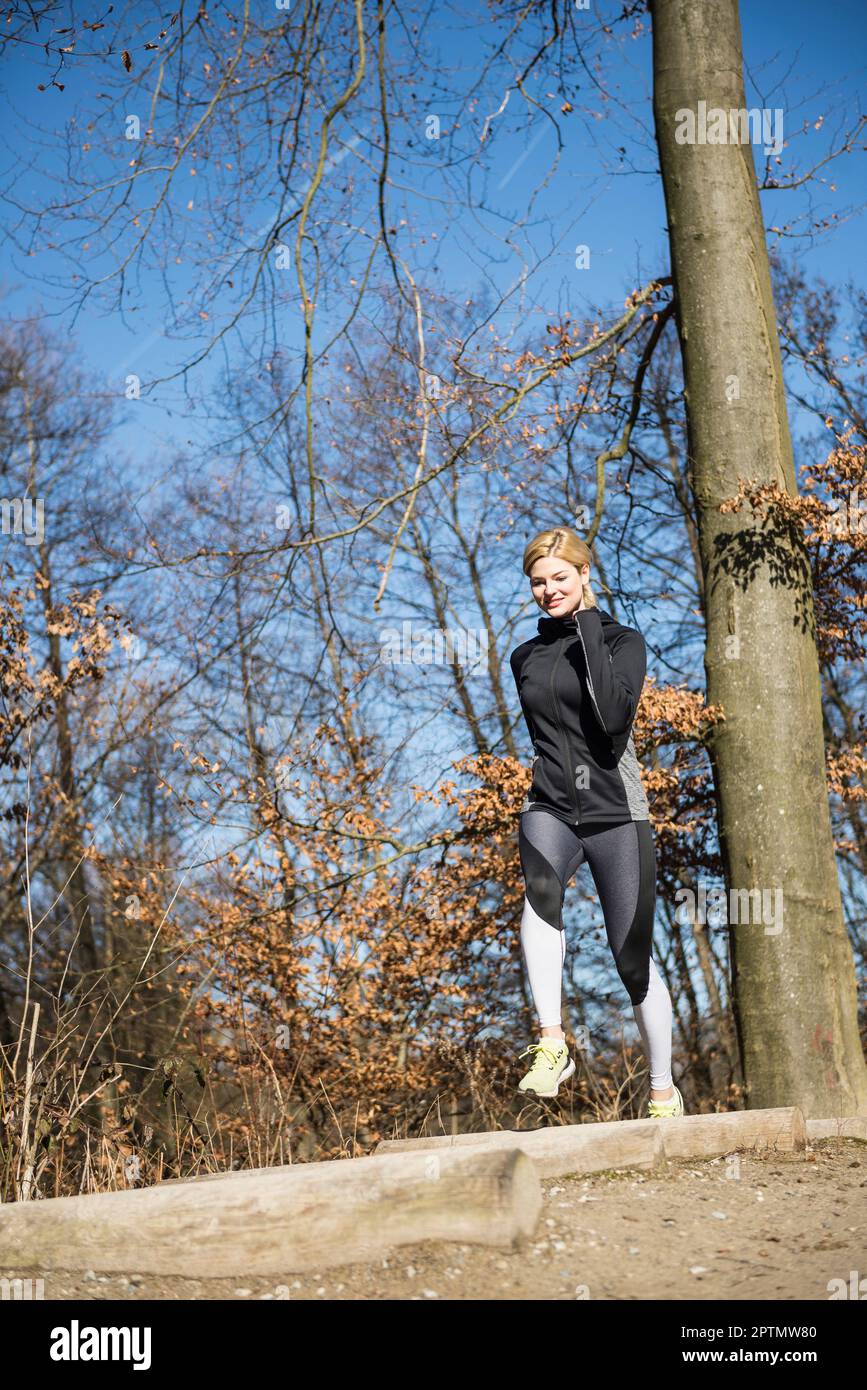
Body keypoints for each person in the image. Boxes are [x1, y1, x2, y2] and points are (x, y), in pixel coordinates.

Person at [508, 525, 684, 1118]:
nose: (548, 590)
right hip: (551, 805)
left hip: (616, 811)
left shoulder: (622, 642)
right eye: (538, 582)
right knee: (538, 894)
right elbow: (544, 731)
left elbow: (611, 720)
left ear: (585, 577)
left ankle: (663, 1091)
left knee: (631, 958)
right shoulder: (524, 657)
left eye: (560, 578)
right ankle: (552, 1041)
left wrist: (586, 626)